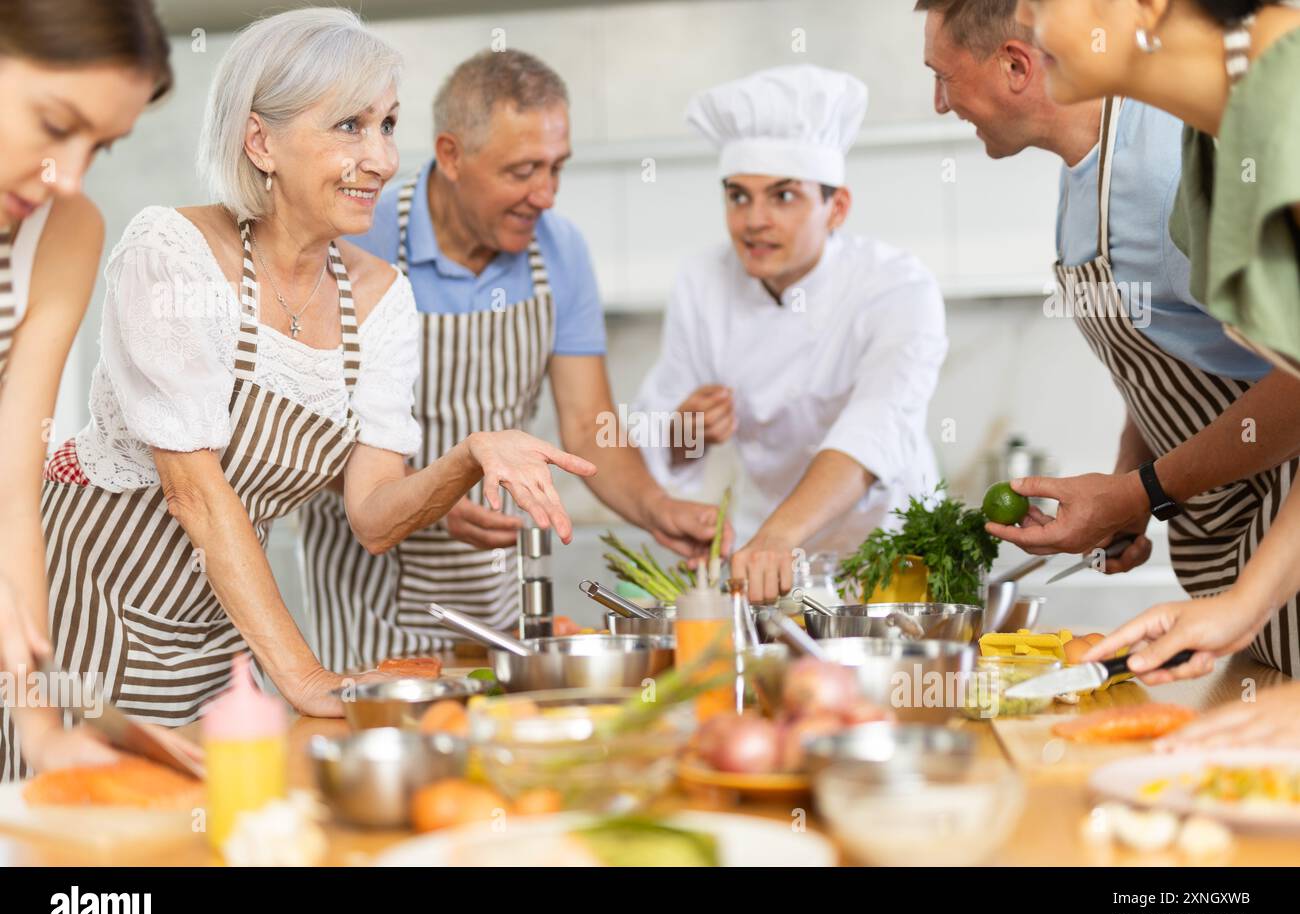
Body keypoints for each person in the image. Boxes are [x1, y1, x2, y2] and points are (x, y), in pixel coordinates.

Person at [4, 9, 595, 781]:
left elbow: (373, 514)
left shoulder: (381, 298)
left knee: (214, 810)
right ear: (261, 142)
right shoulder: (174, 254)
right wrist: (307, 676)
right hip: (87, 602)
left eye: (387, 125)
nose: (381, 158)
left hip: (220, 619)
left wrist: (469, 456)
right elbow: (195, 494)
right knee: (81, 816)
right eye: (350, 126)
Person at [299, 50, 726, 665]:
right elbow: (309, 428)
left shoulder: (560, 252)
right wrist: (429, 496)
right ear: (451, 156)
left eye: (557, 168)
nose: (545, 196)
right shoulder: (359, 236)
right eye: (523, 171)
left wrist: (658, 507)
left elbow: (590, 427)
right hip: (366, 599)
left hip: (495, 593)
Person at [917, 0, 1300, 680]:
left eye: (1041, 9)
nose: (1030, 24)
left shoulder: (1210, 148)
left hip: (1272, 517)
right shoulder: (1142, 160)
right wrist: (1129, 485)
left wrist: (1141, 492)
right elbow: (1164, 352)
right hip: (1248, 562)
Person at [635, 65, 948, 604]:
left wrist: (780, 536)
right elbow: (663, 435)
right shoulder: (702, 282)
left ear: (836, 208)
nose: (754, 220)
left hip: (891, 557)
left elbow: (878, 424)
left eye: (783, 196)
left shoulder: (896, 285)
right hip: (767, 559)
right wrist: (687, 431)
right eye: (738, 196)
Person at [0, 0, 175, 778]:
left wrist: (38, 731)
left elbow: (11, 497)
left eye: (98, 145)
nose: (67, 176)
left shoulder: (60, 233)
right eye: (54, 124)